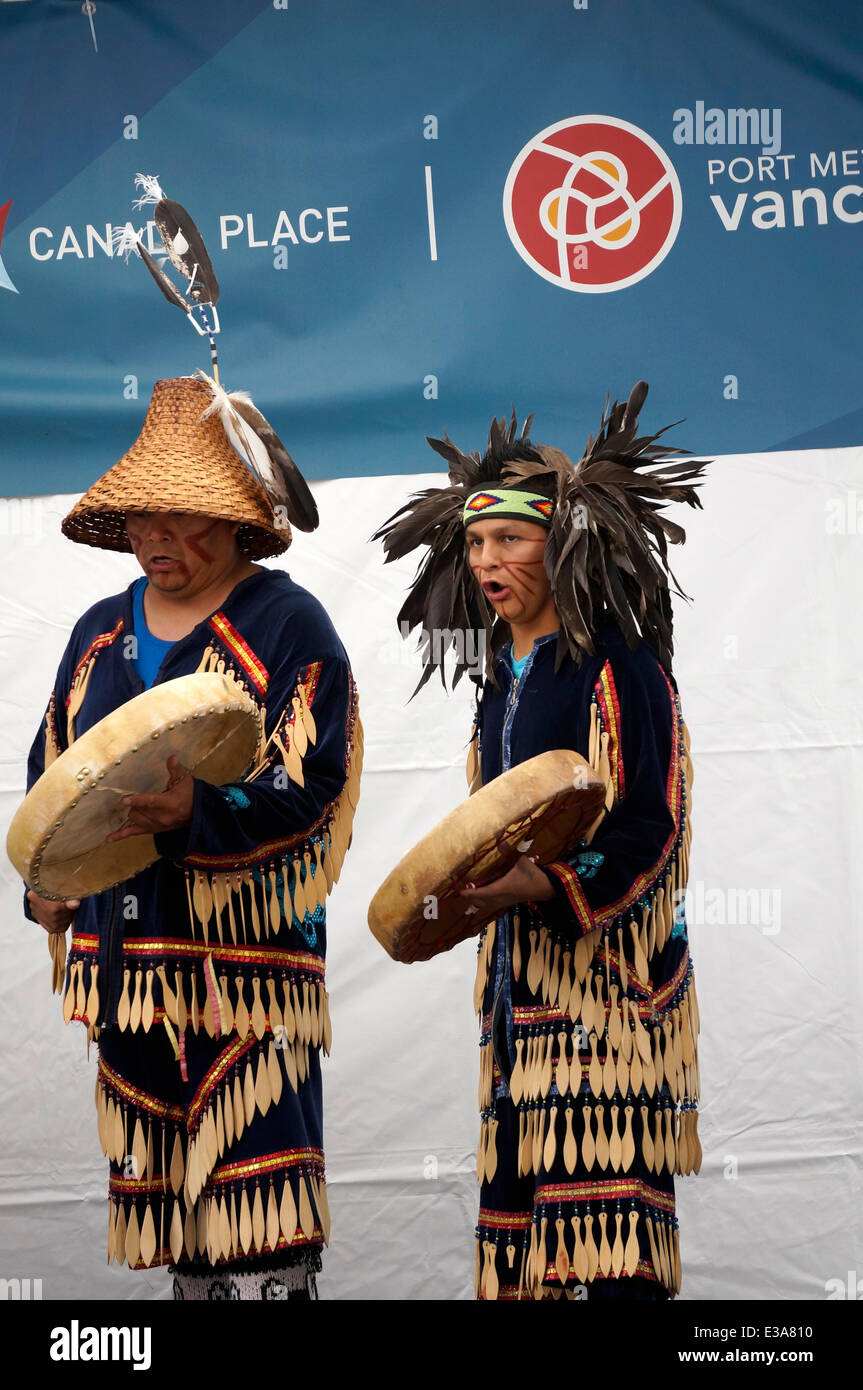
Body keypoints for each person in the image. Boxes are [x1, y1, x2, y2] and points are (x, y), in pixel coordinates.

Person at [23, 374, 361, 1299]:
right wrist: (44, 880)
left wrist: (199, 816)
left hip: (240, 974)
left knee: (258, 1217)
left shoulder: (287, 623)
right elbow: (53, 772)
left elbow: (316, 792)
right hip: (128, 967)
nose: (155, 539)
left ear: (236, 521)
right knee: (183, 1236)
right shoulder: (97, 632)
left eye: (182, 518)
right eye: (140, 519)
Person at [374, 382, 705, 1299]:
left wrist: (551, 887)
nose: (487, 558)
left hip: (610, 1004)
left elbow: (653, 822)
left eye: (509, 538)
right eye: (475, 541)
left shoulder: (619, 666)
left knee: (605, 1246)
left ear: (562, 543)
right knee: (526, 1258)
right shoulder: (496, 681)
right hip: (518, 1006)